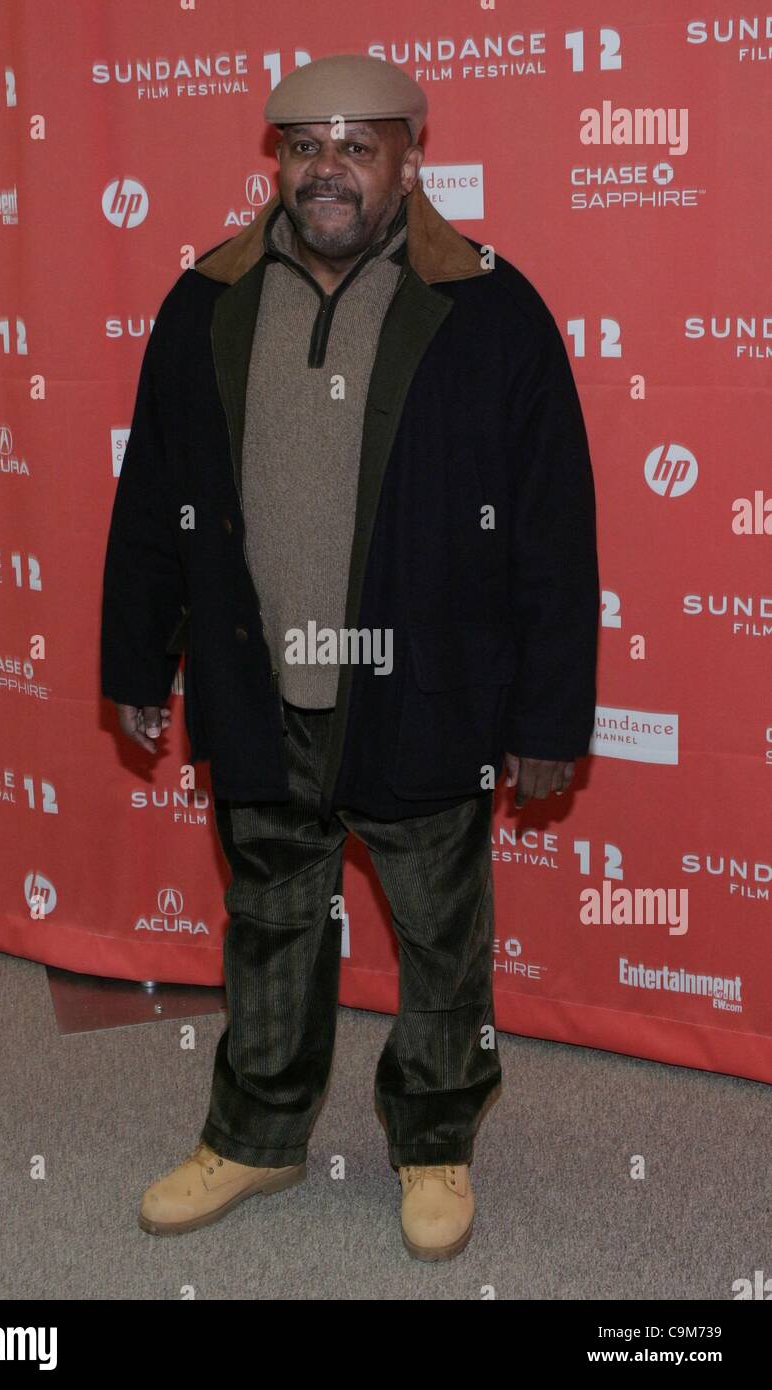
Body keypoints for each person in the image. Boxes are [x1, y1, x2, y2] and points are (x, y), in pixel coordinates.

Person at [100, 53, 600, 1262]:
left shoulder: (489, 305)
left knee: (440, 931)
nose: (326, 168)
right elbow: (155, 495)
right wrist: (133, 658)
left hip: (422, 686)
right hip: (255, 678)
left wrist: (548, 716)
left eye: (355, 144)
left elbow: (550, 526)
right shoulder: (205, 300)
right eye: (302, 145)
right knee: (270, 917)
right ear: (275, 160)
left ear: (408, 156)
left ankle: (433, 1138)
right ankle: (259, 1132)